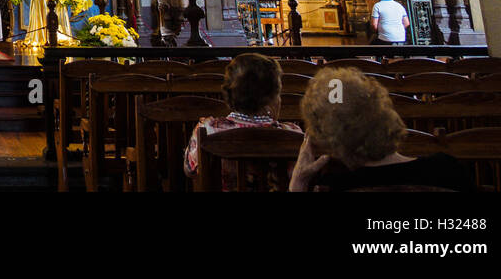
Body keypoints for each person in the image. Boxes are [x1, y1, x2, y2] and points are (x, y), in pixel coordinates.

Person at [291, 67, 473, 191]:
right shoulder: (447, 168)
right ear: (385, 112)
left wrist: (297, 185)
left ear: (329, 139)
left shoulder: (336, 186)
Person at [184, 53, 302, 183]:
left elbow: (191, 170)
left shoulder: (207, 129)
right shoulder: (292, 134)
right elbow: (297, 176)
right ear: (271, 98)